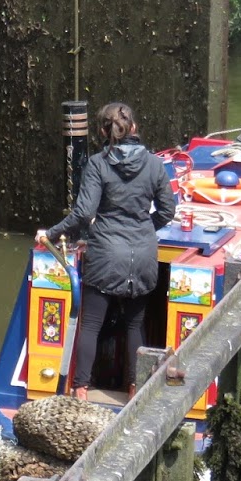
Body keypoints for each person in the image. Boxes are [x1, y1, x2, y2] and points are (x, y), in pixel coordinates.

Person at [35, 101, 176, 400]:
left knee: (91, 324)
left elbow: (84, 213)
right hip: (143, 256)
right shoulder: (154, 165)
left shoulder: (98, 164)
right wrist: (144, 228)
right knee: (135, 324)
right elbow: (167, 210)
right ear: (135, 128)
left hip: (105, 255)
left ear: (102, 131)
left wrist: (51, 233)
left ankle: (81, 390)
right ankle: (135, 388)